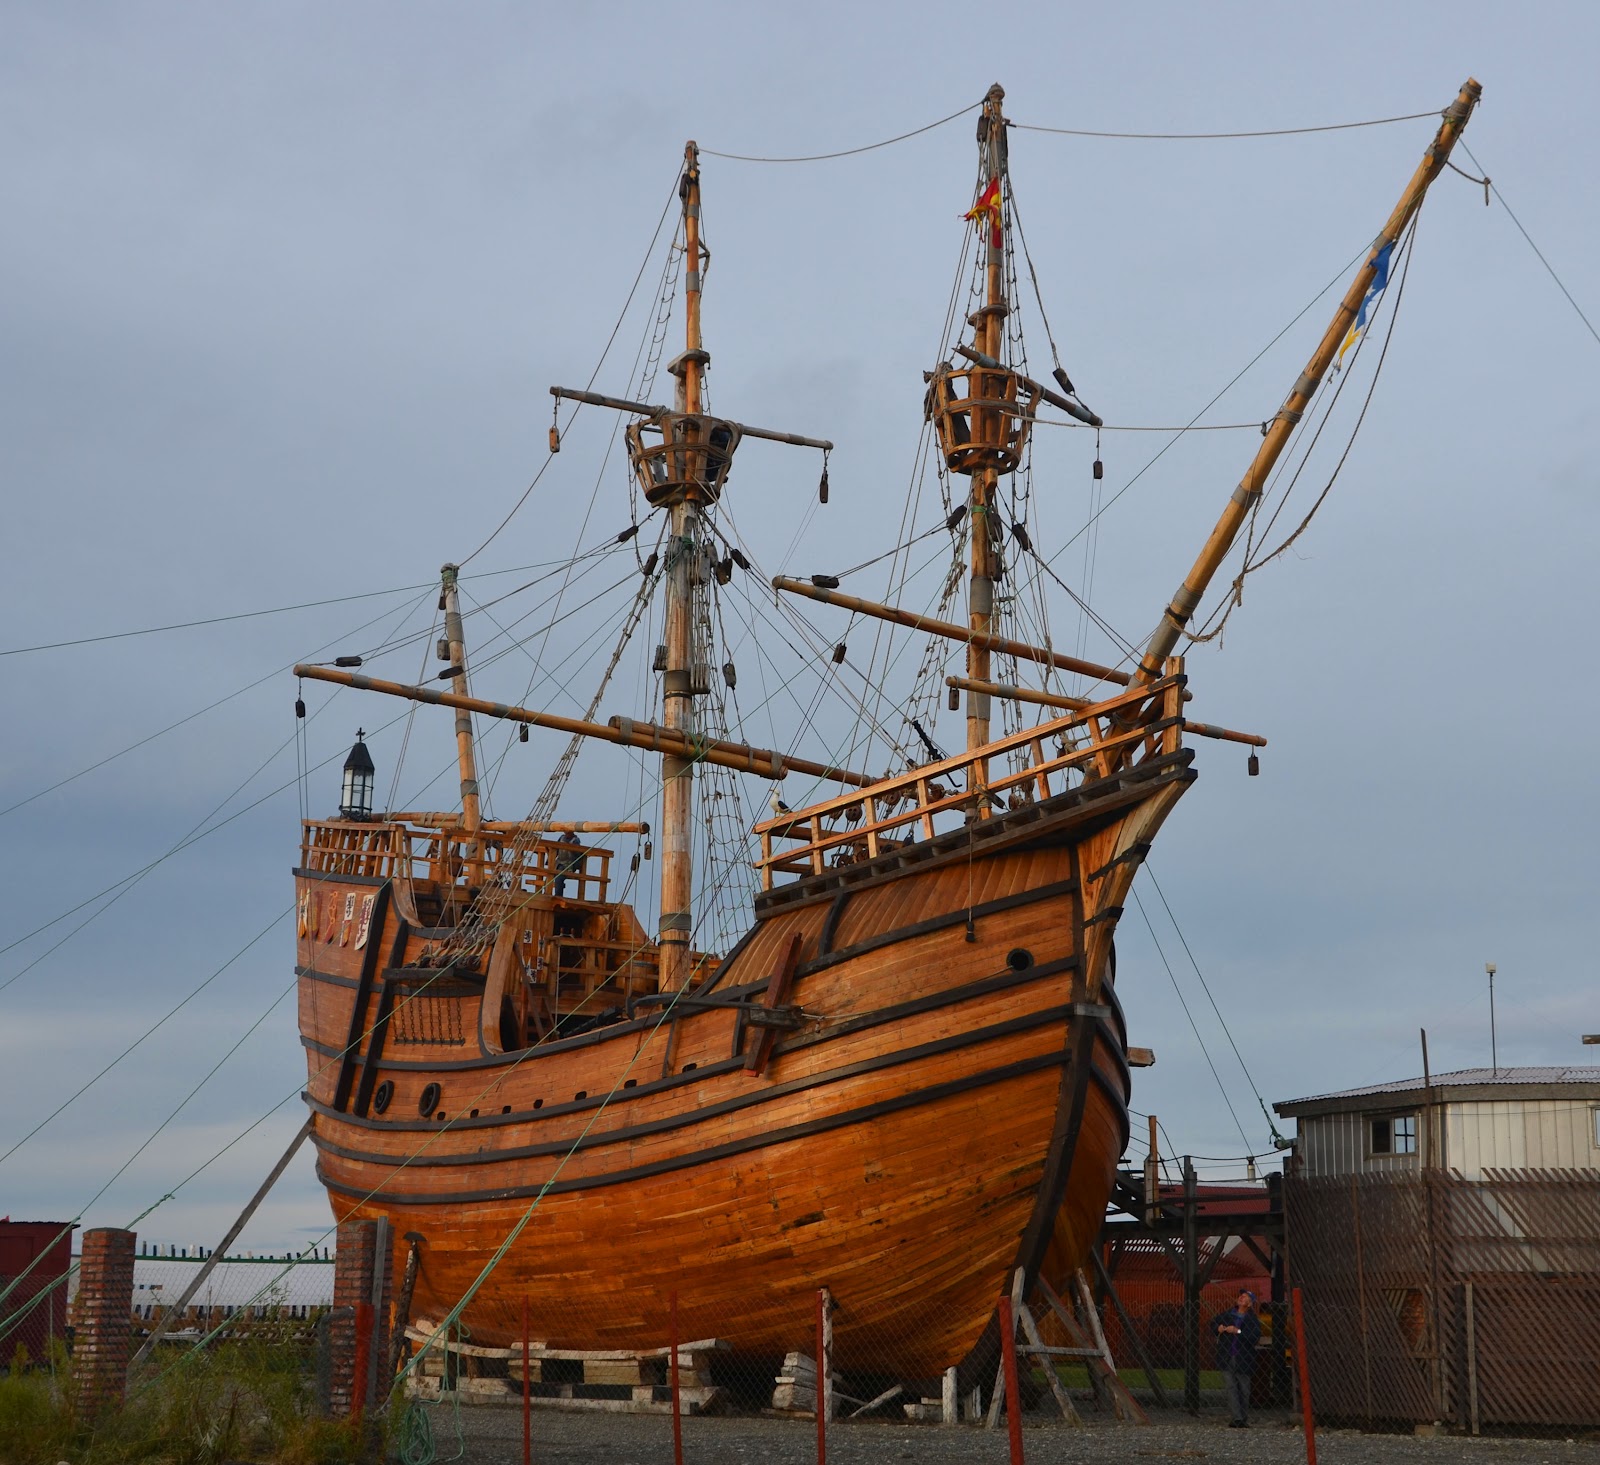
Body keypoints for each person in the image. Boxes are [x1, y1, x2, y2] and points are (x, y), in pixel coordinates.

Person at [1210, 1289, 1262, 1428]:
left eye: (1245, 1297)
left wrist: (1238, 1331)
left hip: (1243, 1359)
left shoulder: (1252, 1320)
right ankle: (1237, 1418)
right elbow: (1213, 1324)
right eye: (1241, 1296)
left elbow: (1254, 1337)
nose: (1241, 1298)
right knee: (1231, 1388)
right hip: (1226, 1357)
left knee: (1244, 1389)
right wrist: (1218, 1328)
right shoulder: (1227, 1315)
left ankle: (1243, 1417)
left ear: (1250, 1304)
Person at [553, 830, 584, 898]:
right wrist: (550, 860)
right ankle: (545, 893)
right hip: (559, 862)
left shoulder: (575, 840)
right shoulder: (561, 838)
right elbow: (556, 849)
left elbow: (578, 854)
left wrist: (572, 848)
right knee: (549, 875)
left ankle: (558, 896)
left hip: (569, 864)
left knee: (559, 878)